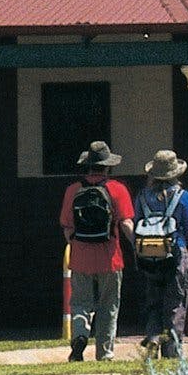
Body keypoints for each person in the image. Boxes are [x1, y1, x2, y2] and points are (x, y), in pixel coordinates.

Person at [57, 141, 134, 363]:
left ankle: (80, 335)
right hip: (111, 258)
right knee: (109, 306)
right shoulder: (118, 189)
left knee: (80, 302)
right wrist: (138, 246)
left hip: (81, 258)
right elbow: (126, 224)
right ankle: (105, 353)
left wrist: (75, 243)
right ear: (107, 166)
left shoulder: (73, 190)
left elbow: (67, 227)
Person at [133, 150, 188, 359]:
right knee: (175, 304)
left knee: (153, 301)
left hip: (150, 257)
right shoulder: (183, 198)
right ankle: (172, 349)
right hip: (176, 257)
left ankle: (153, 335)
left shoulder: (142, 197)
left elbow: (137, 226)